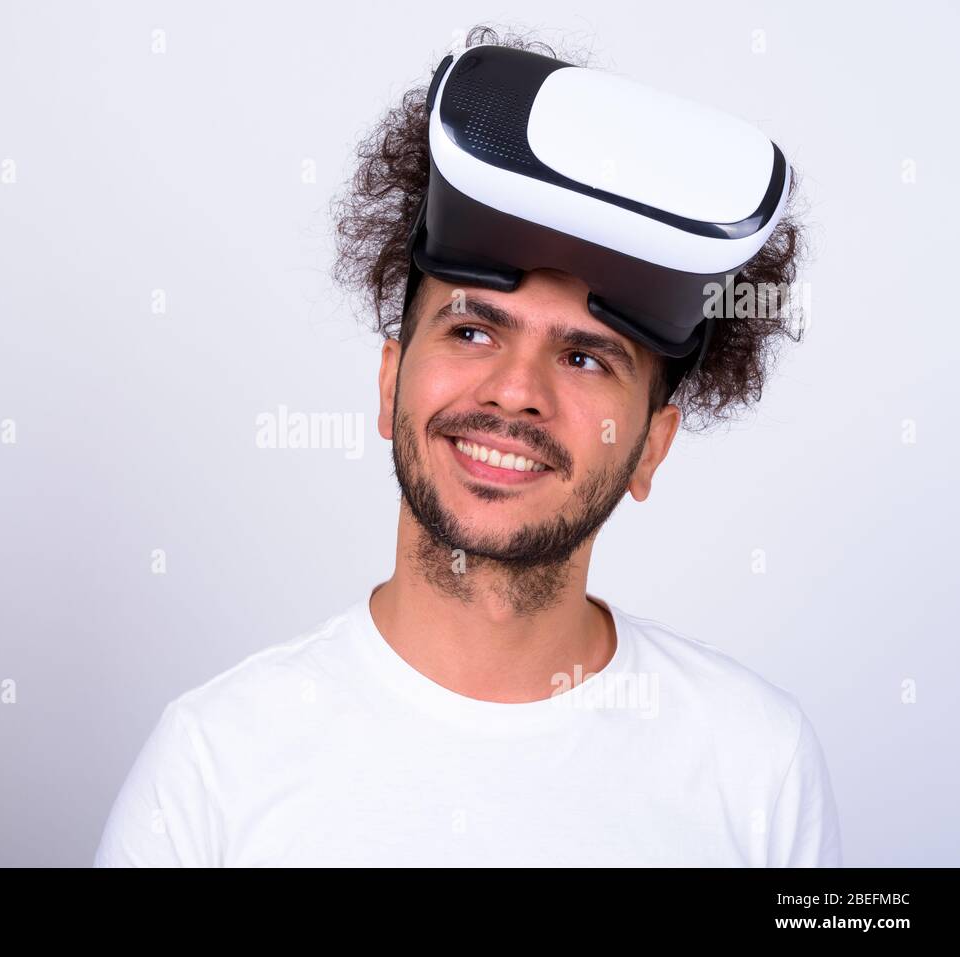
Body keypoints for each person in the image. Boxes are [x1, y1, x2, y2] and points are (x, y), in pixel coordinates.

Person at [94, 26, 841, 867]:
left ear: (649, 450)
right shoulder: (210, 770)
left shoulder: (758, 766)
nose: (516, 389)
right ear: (391, 384)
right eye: (475, 330)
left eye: (585, 356)